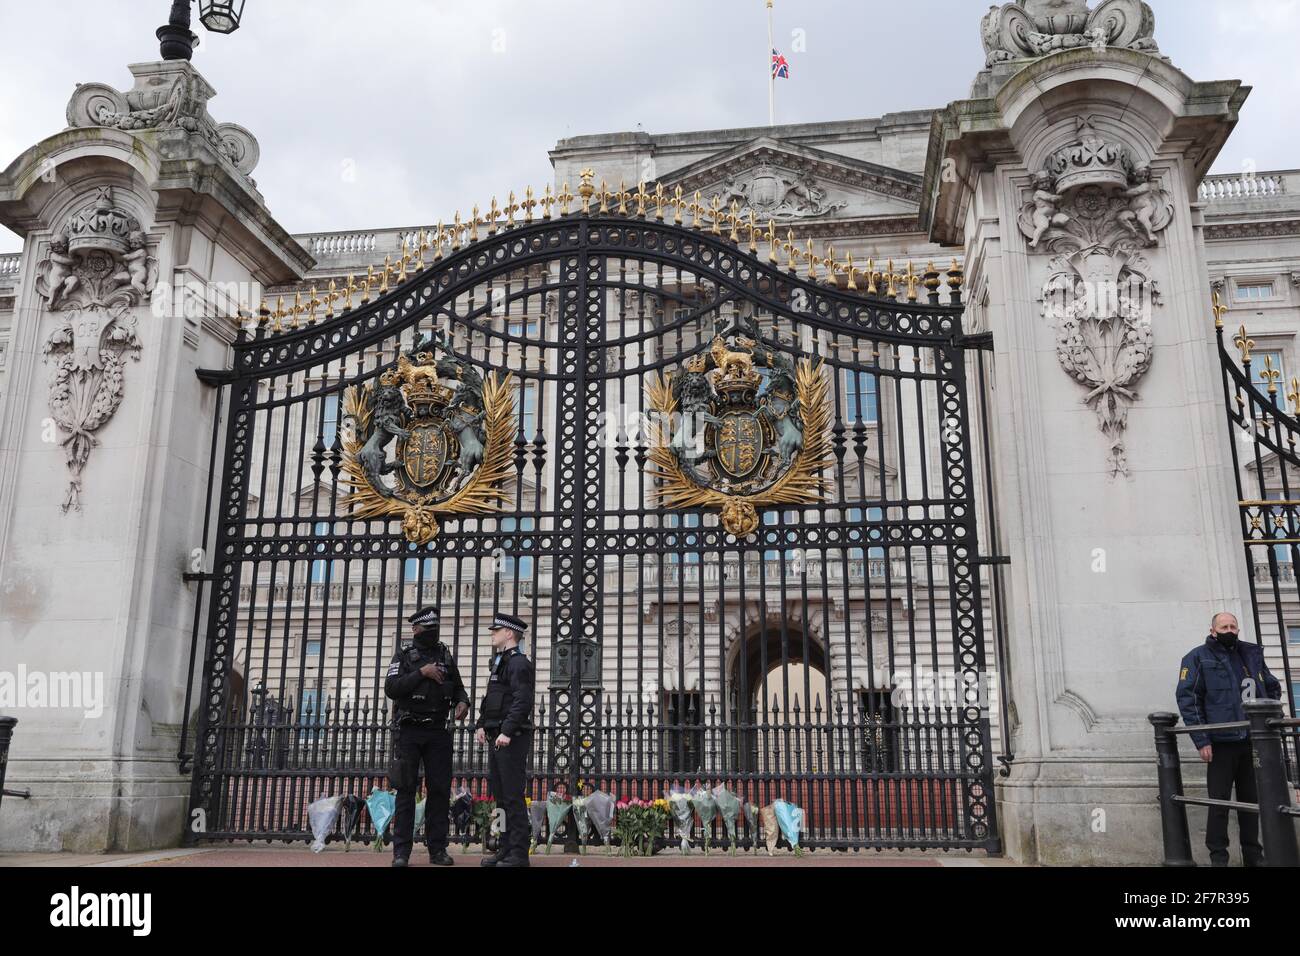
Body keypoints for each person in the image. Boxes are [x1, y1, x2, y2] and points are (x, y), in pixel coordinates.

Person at [1176, 611, 1283, 867]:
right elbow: (1189, 699)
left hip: (1252, 741)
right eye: (1224, 626)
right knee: (1219, 804)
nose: (1230, 630)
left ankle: (1253, 858)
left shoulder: (1250, 654)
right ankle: (1219, 860)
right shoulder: (1196, 657)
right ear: (1213, 630)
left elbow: (1271, 687)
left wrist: (1268, 724)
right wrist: (1202, 740)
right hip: (1220, 743)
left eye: (1233, 626)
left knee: (1251, 802)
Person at [385, 606, 469, 867]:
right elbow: (391, 688)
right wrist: (421, 673)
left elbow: (459, 688)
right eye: (426, 629)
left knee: (440, 792)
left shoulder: (444, 653)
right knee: (406, 791)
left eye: (435, 629)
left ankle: (438, 849)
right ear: (415, 630)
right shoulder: (405, 655)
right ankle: (401, 852)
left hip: (437, 731)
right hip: (409, 729)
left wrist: (463, 703)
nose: (431, 634)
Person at [474, 612, 535, 868]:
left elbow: (523, 701)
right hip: (497, 735)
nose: (492, 634)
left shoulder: (519, 663)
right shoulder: (500, 662)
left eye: (496, 630)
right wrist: (480, 724)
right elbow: (491, 700)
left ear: (509, 633)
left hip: (511, 738)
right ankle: (504, 847)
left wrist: (507, 731)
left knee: (512, 797)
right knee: (500, 797)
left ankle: (519, 853)